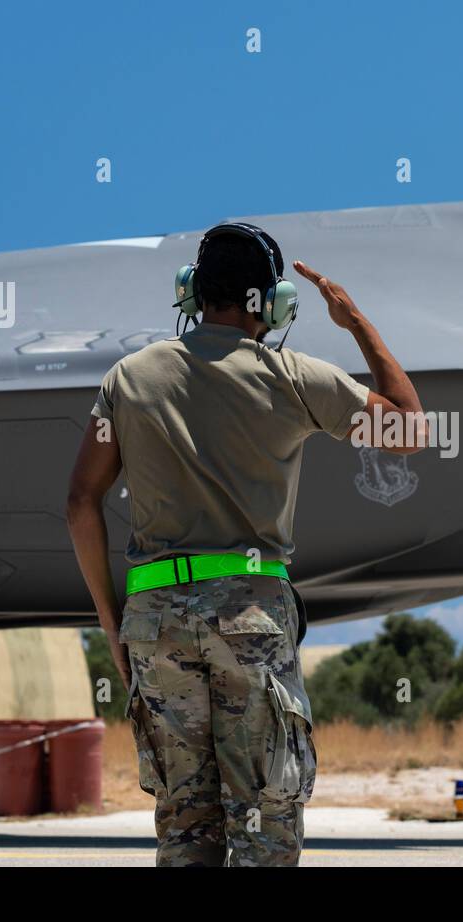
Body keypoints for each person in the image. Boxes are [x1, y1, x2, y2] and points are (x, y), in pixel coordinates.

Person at [65, 222, 425, 866]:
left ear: (190, 294)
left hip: (155, 621)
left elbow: (79, 503)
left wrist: (113, 622)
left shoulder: (127, 379)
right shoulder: (294, 377)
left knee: (184, 822)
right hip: (249, 620)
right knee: (264, 821)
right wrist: (356, 323)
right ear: (277, 302)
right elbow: (410, 429)